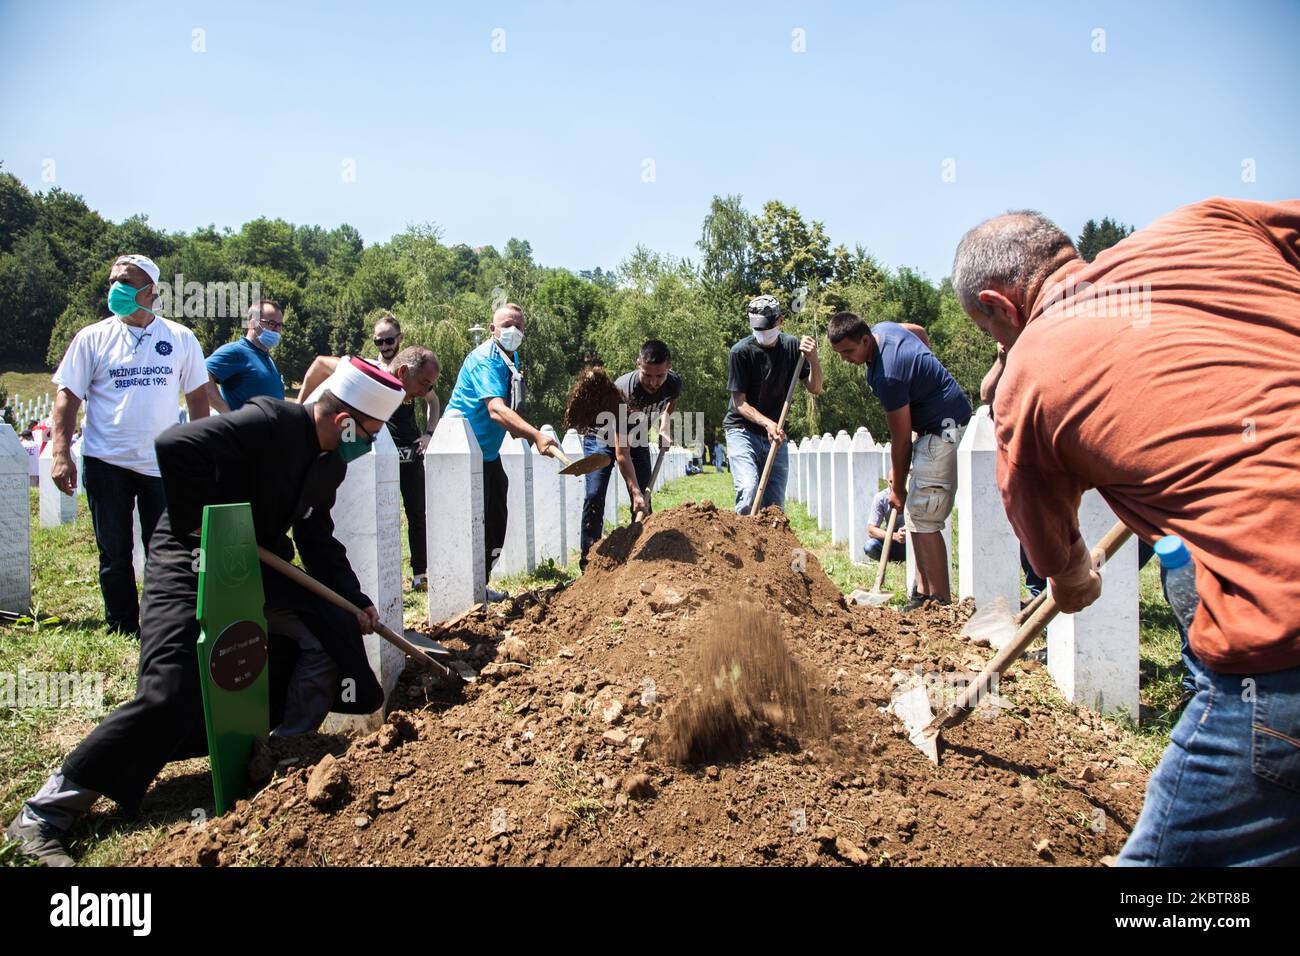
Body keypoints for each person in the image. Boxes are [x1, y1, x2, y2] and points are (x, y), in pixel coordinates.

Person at [950, 198, 1300, 866]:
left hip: (1278, 644)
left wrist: (1076, 578)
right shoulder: (1207, 224)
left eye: (991, 335)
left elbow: (1068, 580)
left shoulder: (1028, 384)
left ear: (998, 305)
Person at [3, 358, 407, 867]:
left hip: (255, 559)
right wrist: (201, 523)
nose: (367, 443)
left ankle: (281, 748)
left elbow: (315, 535)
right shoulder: (270, 420)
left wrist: (355, 600)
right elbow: (177, 445)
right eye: (367, 432)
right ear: (344, 420)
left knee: (327, 635)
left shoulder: (330, 461)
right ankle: (44, 814)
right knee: (168, 691)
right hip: (191, 553)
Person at [48, 254, 210, 636]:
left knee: (166, 552)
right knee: (114, 550)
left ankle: (163, 623)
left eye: (127, 280)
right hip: (106, 460)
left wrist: (202, 455)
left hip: (161, 464)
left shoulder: (180, 337)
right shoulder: (92, 337)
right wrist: (59, 453)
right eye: (113, 280)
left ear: (151, 290)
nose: (116, 288)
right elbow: (67, 397)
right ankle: (121, 624)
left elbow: (198, 398)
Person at [827, 312, 971, 610]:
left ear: (865, 339)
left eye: (849, 352)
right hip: (937, 422)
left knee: (925, 513)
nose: (845, 359)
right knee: (918, 515)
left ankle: (939, 600)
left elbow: (901, 438)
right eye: (839, 353)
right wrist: (924, 374)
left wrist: (897, 490)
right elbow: (919, 331)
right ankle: (922, 592)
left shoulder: (888, 376)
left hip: (943, 428)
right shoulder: (884, 329)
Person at [446, 303, 557, 600]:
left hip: (487, 454)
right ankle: (463, 591)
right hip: (463, 455)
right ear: (492, 328)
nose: (513, 331)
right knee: (473, 525)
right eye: (507, 325)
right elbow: (496, 409)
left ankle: (479, 584)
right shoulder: (486, 359)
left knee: (496, 519)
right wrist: (535, 435)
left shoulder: (511, 356)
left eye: (519, 327)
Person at [579, 339, 682, 568]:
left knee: (645, 499)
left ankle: (646, 558)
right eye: (648, 375)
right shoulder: (624, 391)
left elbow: (670, 404)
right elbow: (621, 453)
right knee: (595, 494)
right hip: (601, 436)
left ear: (668, 368)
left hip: (637, 435)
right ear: (638, 364)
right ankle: (590, 563)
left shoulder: (673, 382)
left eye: (660, 376)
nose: (654, 382)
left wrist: (664, 427)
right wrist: (633, 490)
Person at [723, 294, 822, 514]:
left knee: (774, 506)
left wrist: (813, 358)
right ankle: (743, 543)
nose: (762, 333)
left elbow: (815, 388)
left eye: (766, 327)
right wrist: (768, 423)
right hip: (742, 429)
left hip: (774, 437)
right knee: (748, 491)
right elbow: (739, 402)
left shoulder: (792, 347)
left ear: (780, 321)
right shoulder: (740, 352)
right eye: (757, 328)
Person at [371, 316, 441, 591]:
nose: (385, 345)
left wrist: (429, 433)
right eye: (379, 340)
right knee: (382, 515)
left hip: (410, 450)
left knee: (417, 513)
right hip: (383, 451)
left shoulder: (413, 370)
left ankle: (420, 573)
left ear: (400, 338)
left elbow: (433, 401)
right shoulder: (375, 370)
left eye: (389, 339)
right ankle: (381, 574)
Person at [204, 300, 286, 413]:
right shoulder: (236, 351)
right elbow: (201, 374)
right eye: (271, 323)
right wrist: (227, 415)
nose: (276, 330)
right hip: (244, 430)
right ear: (253, 323)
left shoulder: (267, 357)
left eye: (279, 325)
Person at [864, 479, 907, 564]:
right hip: (891, 538)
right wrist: (895, 536)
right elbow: (871, 530)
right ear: (887, 481)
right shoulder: (881, 497)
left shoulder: (913, 495)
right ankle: (889, 561)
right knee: (870, 546)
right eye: (891, 481)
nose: (895, 484)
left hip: (910, 539)